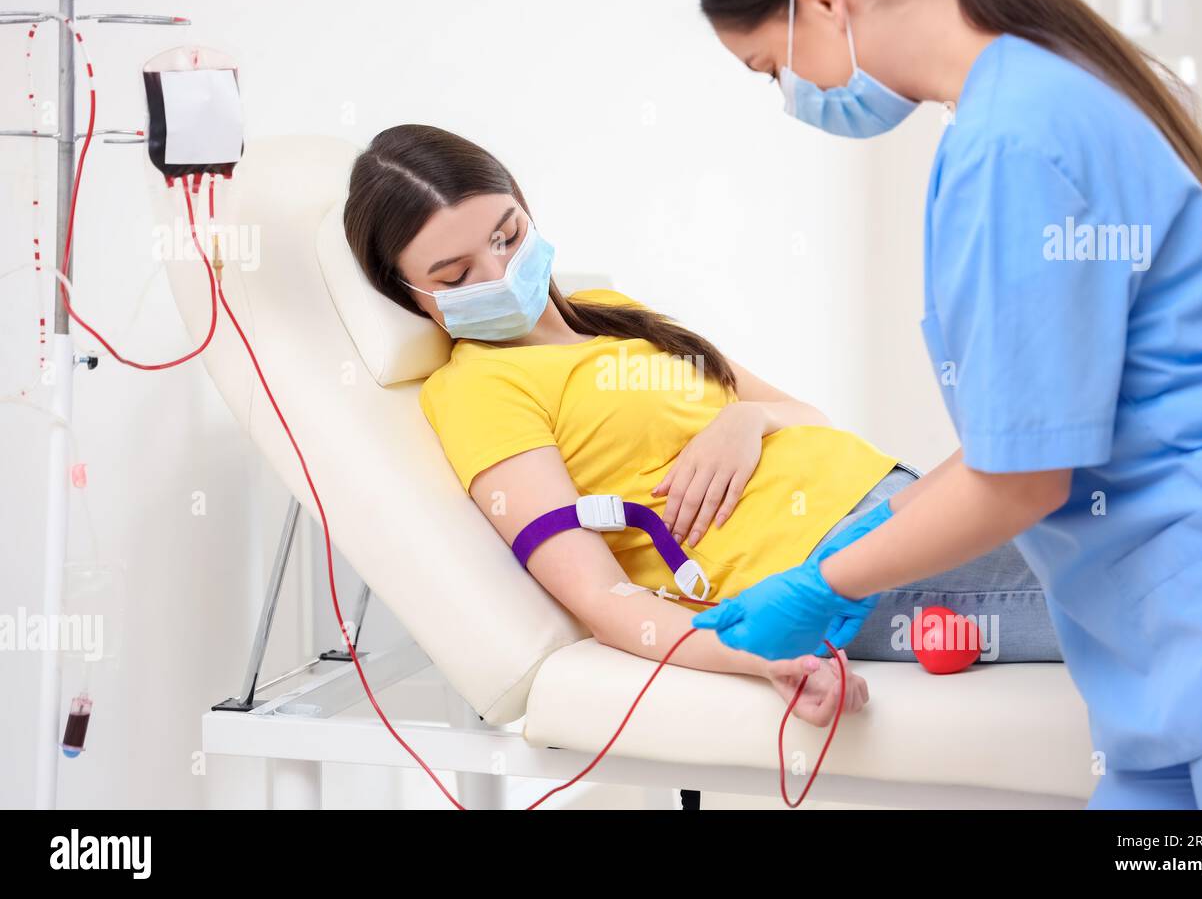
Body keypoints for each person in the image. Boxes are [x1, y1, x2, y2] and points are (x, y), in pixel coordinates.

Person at [692, 0, 1202, 808]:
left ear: (817, 0)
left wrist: (827, 581)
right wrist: (867, 532)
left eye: (768, 68)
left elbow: (1018, 481)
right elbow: (1024, 429)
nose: (787, 95)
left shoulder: (1015, 137)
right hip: (1166, 657)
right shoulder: (1023, 103)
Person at [343, 123, 1063, 727]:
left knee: (1121, 495)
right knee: (1147, 584)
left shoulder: (607, 309)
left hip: (895, 495)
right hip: (836, 575)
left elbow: (805, 417)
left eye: (507, 236)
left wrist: (743, 422)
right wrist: (760, 653)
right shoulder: (476, 389)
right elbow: (599, 594)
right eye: (456, 274)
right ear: (410, 297)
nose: (499, 275)